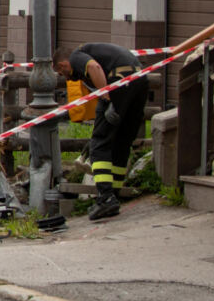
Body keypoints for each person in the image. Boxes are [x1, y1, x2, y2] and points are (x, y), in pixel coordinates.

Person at [53, 42, 148, 221]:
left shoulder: (76, 56)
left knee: (99, 144)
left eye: (61, 73)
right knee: (122, 142)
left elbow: (94, 67)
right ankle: (115, 193)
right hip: (139, 80)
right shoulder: (100, 52)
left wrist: (107, 97)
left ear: (62, 65)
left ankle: (106, 198)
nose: (66, 78)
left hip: (119, 80)